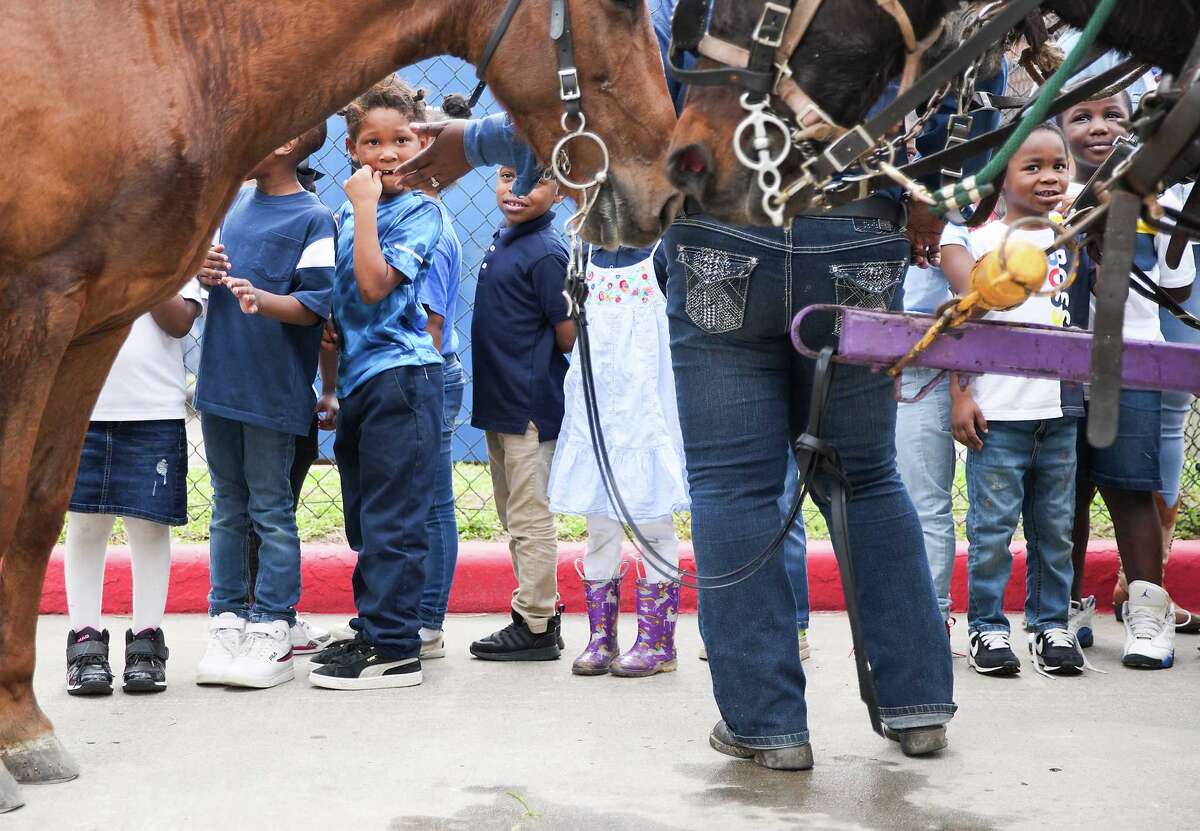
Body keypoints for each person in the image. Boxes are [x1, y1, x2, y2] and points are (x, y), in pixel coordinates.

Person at [396, 0, 955, 767]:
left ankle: (768, 726)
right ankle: (916, 705)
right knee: (866, 473)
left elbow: (614, 85)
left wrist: (477, 138)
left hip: (724, 230)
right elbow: (948, 77)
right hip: (852, 229)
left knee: (736, 485)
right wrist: (929, 201)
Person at [305, 77, 447, 690]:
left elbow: (373, 284)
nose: (388, 153)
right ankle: (376, 624)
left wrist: (363, 210)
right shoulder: (344, 212)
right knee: (365, 517)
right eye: (372, 142)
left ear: (421, 145)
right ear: (352, 151)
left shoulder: (421, 211)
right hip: (363, 381)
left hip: (402, 377)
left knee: (393, 517)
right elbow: (346, 300)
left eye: (402, 140)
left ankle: (396, 649)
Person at [193, 123, 335, 689]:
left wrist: (264, 299)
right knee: (227, 508)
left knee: (271, 512)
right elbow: (212, 282)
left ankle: (273, 625)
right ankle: (227, 617)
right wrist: (205, 275)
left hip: (273, 394)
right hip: (219, 389)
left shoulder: (315, 218)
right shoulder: (235, 208)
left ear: (283, 144)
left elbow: (315, 304)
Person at [942, 123, 1087, 677]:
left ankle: (1051, 625)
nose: (1049, 177)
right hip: (998, 413)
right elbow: (961, 319)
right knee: (992, 532)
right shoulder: (973, 241)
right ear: (998, 178)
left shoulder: (1074, 234)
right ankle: (987, 628)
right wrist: (960, 396)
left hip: (1061, 408)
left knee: (1054, 529)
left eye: (1059, 166)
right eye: (1032, 167)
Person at [1060, 94, 1196, 667]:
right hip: (1059, 366)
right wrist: (1088, 212)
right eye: (1081, 117)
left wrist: (1164, 220)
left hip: (1131, 362)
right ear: (1058, 132)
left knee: (1131, 486)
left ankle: (1147, 610)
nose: (1099, 128)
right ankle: (1060, 610)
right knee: (1061, 494)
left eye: (1113, 116)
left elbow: (1178, 290)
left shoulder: (1157, 202)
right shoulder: (1046, 194)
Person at [548, 241, 689, 677]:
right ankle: (600, 638)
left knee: (652, 521)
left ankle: (657, 641)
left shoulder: (662, 253)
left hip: (643, 407)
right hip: (597, 406)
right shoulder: (582, 252)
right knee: (600, 524)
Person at [63, 283, 204, 695]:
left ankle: (147, 643)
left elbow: (179, 322)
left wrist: (145, 263)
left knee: (149, 526)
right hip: (81, 405)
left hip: (153, 406)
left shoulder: (174, 243)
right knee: (86, 525)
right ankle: (85, 642)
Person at [466, 165, 574, 662]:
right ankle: (535, 612)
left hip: (529, 407)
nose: (517, 190)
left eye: (537, 182)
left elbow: (566, 332)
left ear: (560, 191)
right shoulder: (505, 238)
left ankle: (535, 624)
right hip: (499, 404)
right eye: (509, 176)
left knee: (530, 518)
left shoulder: (549, 252)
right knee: (513, 515)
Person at [415, 92, 471, 659]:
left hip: (429, 374)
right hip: (428, 373)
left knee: (432, 500)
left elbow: (429, 325)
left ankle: (427, 622)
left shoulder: (428, 227)